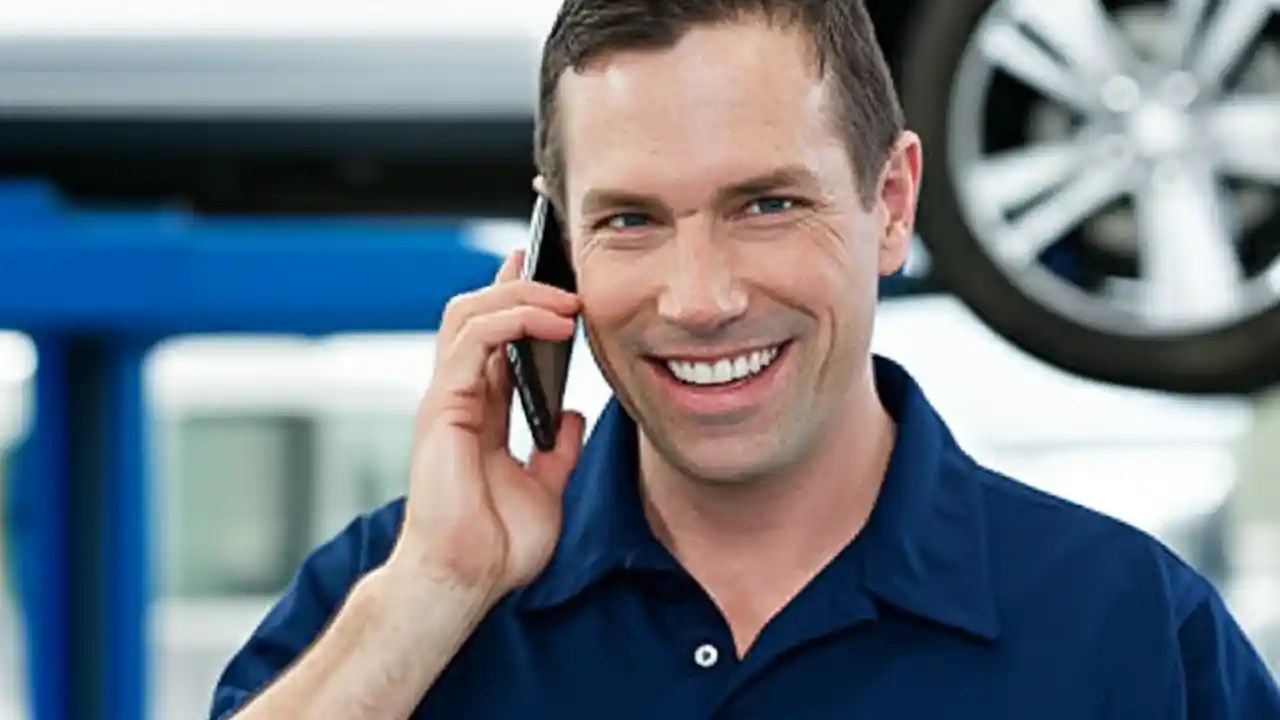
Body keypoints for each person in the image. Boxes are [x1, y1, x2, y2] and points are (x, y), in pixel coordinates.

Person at [211, 1, 1280, 717]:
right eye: (628, 220)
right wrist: (432, 596)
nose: (701, 298)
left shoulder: (1125, 626)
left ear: (890, 203)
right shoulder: (398, 595)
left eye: (766, 205)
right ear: (553, 250)